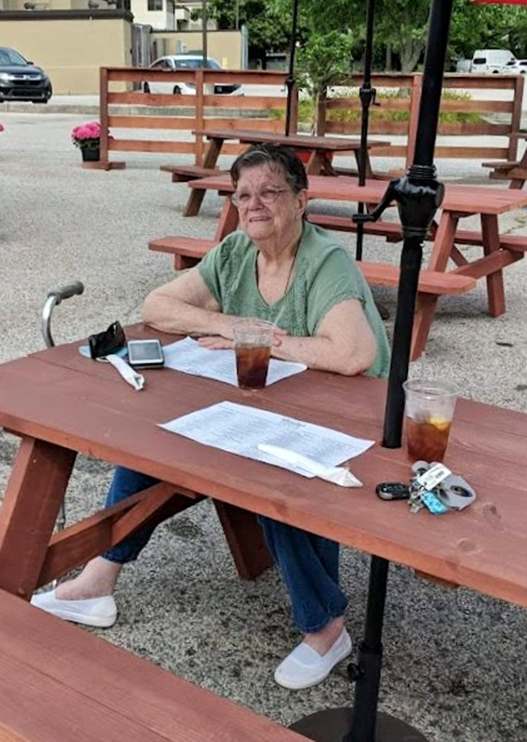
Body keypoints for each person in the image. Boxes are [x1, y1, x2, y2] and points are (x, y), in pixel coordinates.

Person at [33, 143, 390, 690]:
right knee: (160, 437)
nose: (255, 204)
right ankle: (98, 581)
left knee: (271, 476)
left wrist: (267, 341)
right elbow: (157, 306)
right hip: (268, 398)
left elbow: (352, 355)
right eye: (243, 194)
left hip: (351, 413)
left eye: (270, 191)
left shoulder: (324, 260)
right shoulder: (234, 253)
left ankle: (326, 626)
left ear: (300, 200)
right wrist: (235, 326)